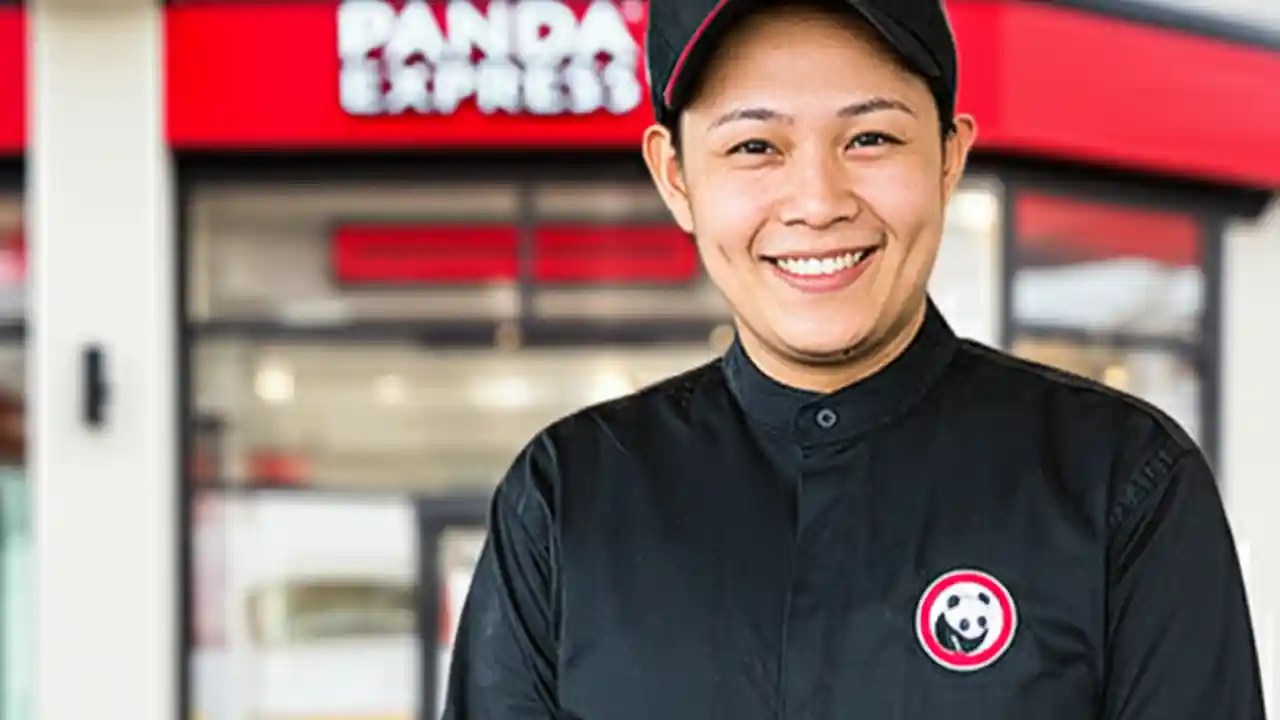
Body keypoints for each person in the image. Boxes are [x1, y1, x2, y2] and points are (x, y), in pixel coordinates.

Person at [443, 0, 1267, 717]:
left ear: (948, 156)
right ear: (675, 177)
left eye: (870, 137)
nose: (818, 203)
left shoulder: (1120, 485)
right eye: (755, 147)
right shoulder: (569, 500)